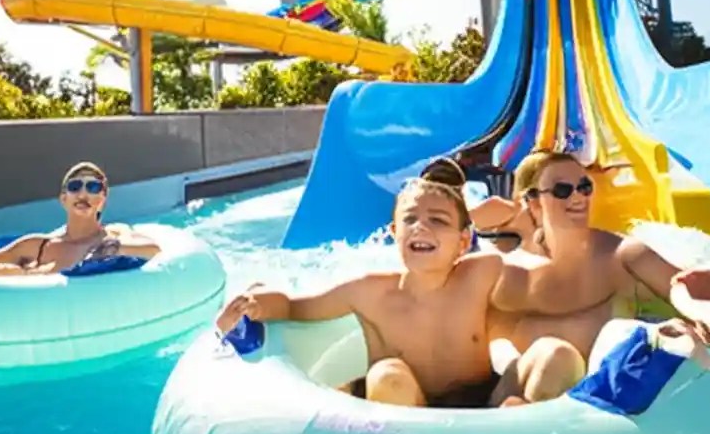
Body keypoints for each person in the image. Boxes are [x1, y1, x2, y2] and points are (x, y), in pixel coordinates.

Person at [216, 158, 506, 409]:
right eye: (410, 219)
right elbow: (296, 307)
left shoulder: (480, 277)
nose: (421, 226)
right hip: (401, 406)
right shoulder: (369, 292)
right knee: (387, 376)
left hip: (475, 407)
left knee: (536, 375)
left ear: (465, 240)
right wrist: (254, 305)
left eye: (438, 220)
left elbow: (536, 283)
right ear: (394, 232)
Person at [486, 149, 710, 407]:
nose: (578, 197)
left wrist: (706, 313)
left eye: (584, 186)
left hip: (593, 400)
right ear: (532, 201)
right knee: (552, 355)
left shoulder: (622, 254)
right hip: (523, 395)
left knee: (559, 357)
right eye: (562, 190)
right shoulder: (506, 271)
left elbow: (681, 287)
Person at [0, 161, 161, 276]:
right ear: (63, 199)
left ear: (103, 199)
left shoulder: (114, 234)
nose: (83, 193)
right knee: (3, 272)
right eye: (75, 186)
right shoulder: (36, 246)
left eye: (93, 187)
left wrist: (109, 249)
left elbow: (152, 249)